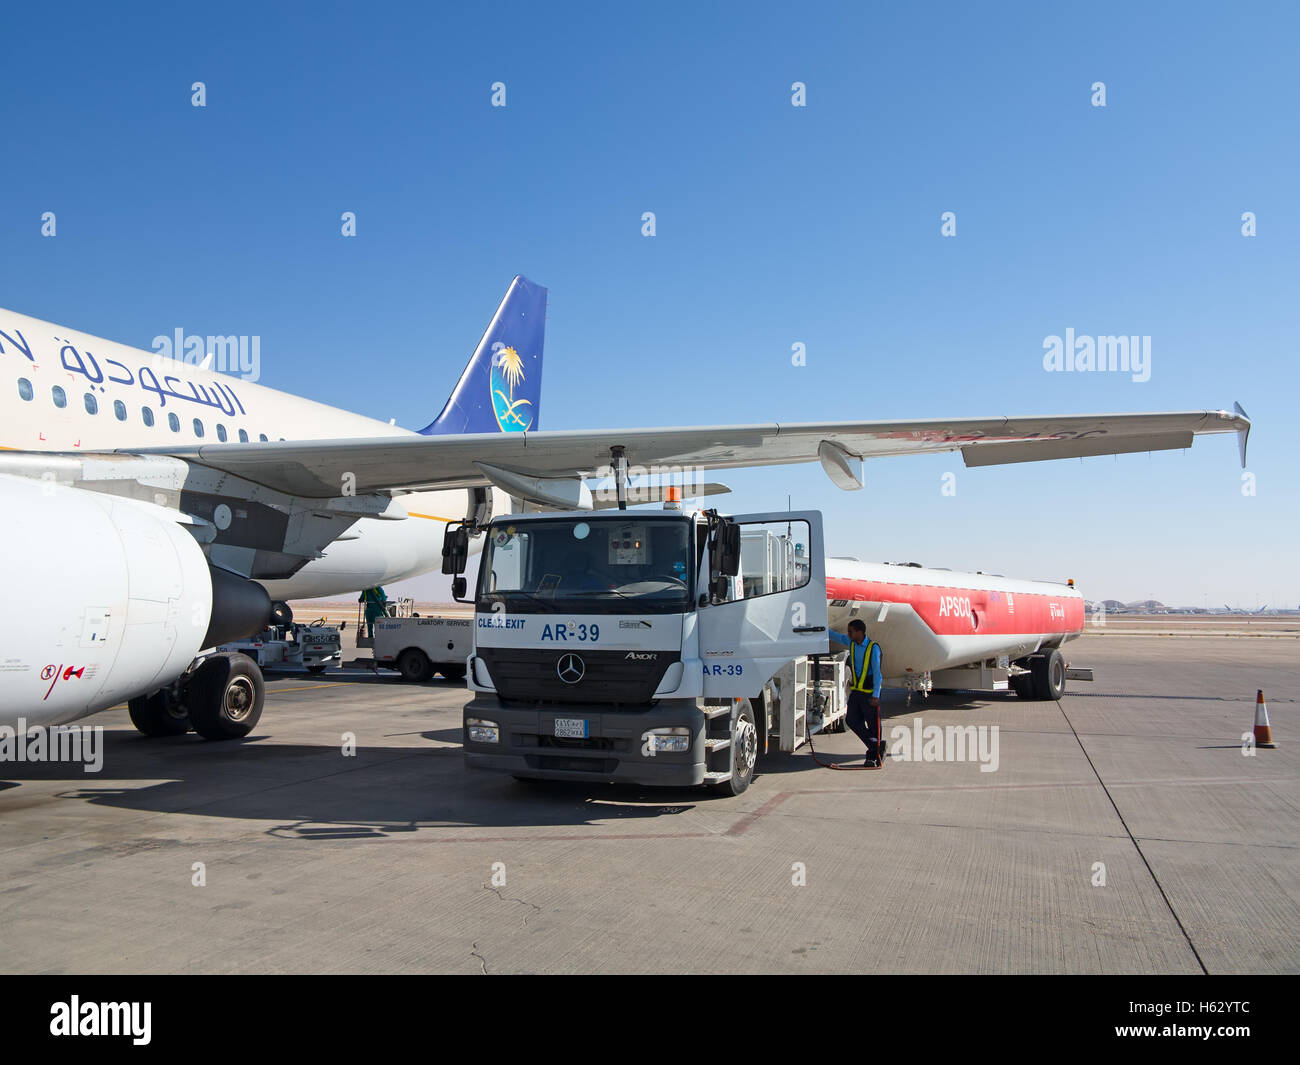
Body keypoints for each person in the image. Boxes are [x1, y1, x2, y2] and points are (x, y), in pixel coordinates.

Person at [829, 618, 884, 764]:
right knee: (851, 720)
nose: (848, 634)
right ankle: (876, 746)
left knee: (873, 726)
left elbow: (878, 674)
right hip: (857, 692)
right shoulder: (851, 643)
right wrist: (820, 628)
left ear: (859, 632)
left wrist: (876, 695)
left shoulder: (873, 648)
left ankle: (873, 756)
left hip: (869, 694)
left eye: (850, 631)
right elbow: (835, 636)